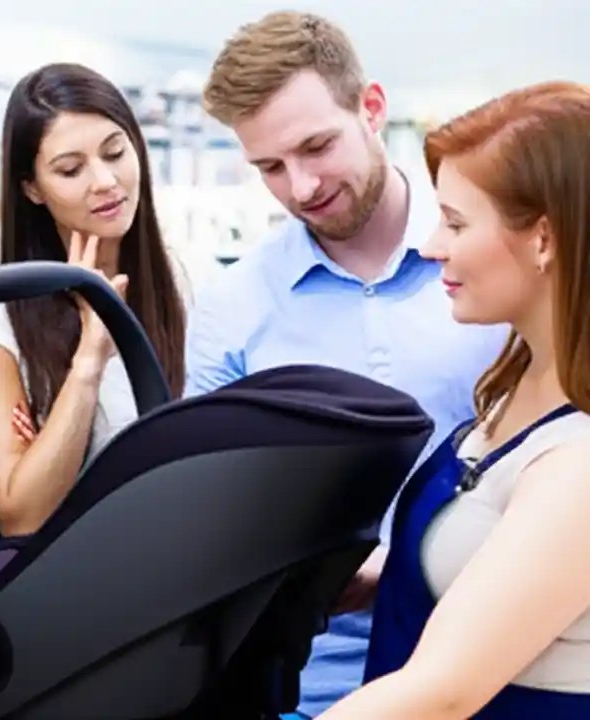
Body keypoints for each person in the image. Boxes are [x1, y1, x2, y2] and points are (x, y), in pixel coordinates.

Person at [191, 11, 509, 717]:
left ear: (371, 107)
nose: (300, 187)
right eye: (270, 167)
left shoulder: (499, 267)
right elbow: (210, 515)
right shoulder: (232, 305)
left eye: (316, 146)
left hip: (494, 667)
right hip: (308, 684)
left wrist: (401, 562)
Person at [318, 81, 590, 719]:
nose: (432, 244)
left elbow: (442, 694)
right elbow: (514, 568)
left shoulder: (579, 464)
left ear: (544, 239)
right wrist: (375, 580)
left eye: (457, 222)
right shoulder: (517, 383)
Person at [0, 62, 188, 554]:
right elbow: (22, 512)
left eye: (115, 153)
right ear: (31, 188)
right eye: (70, 169)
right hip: (47, 590)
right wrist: (87, 366)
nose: (105, 181)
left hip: (163, 567)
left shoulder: (182, 283)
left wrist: (49, 442)